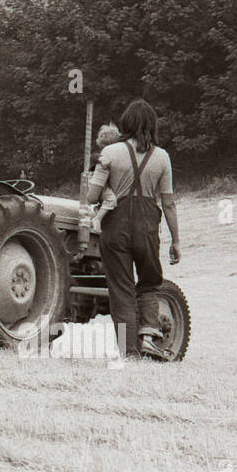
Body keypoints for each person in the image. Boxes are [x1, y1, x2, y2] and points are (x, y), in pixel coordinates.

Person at [85, 99, 181, 360]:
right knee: (149, 283)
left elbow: (92, 196)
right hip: (148, 228)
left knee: (122, 289)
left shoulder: (110, 153)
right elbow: (169, 203)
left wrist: (94, 186)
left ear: (125, 124)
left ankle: (128, 351)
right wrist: (176, 241)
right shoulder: (162, 157)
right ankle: (148, 338)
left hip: (115, 229)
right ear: (152, 125)